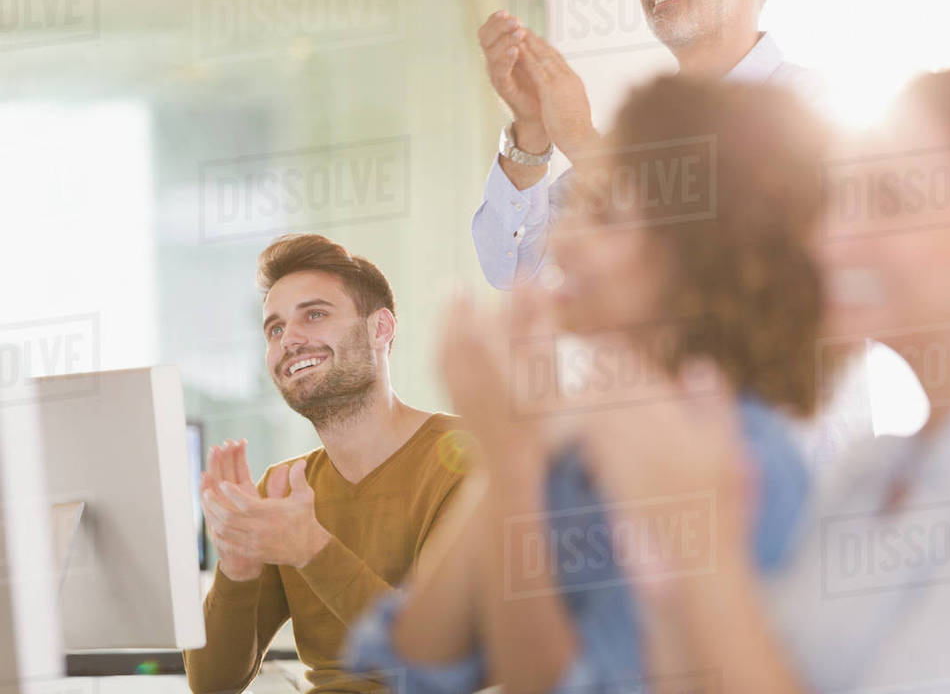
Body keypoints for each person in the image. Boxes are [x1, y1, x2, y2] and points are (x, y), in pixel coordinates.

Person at [578, 67, 950, 693]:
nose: (831, 241)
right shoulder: (871, 469)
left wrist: (705, 555)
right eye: (843, 198)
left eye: (890, 200)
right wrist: (672, 580)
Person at [345, 77, 837, 693]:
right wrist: (509, 455)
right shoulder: (579, 434)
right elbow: (406, 665)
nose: (563, 240)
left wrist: (512, 466)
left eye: (603, 217)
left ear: (694, 252)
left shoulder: (747, 461)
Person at [471, 0, 822, 291]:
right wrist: (533, 127)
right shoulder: (635, 139)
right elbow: (515, 267)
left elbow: (735, 256)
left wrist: (583, 142)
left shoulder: (815, 108)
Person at [183, 234, 466, 694]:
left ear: (380, 329)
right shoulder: (283, 491)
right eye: (274, 329)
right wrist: (236, 568)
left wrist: (311, 549)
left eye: (314, 314)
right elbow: (211, 684)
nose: (290, 340)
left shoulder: (465, 460)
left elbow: (440, 656)